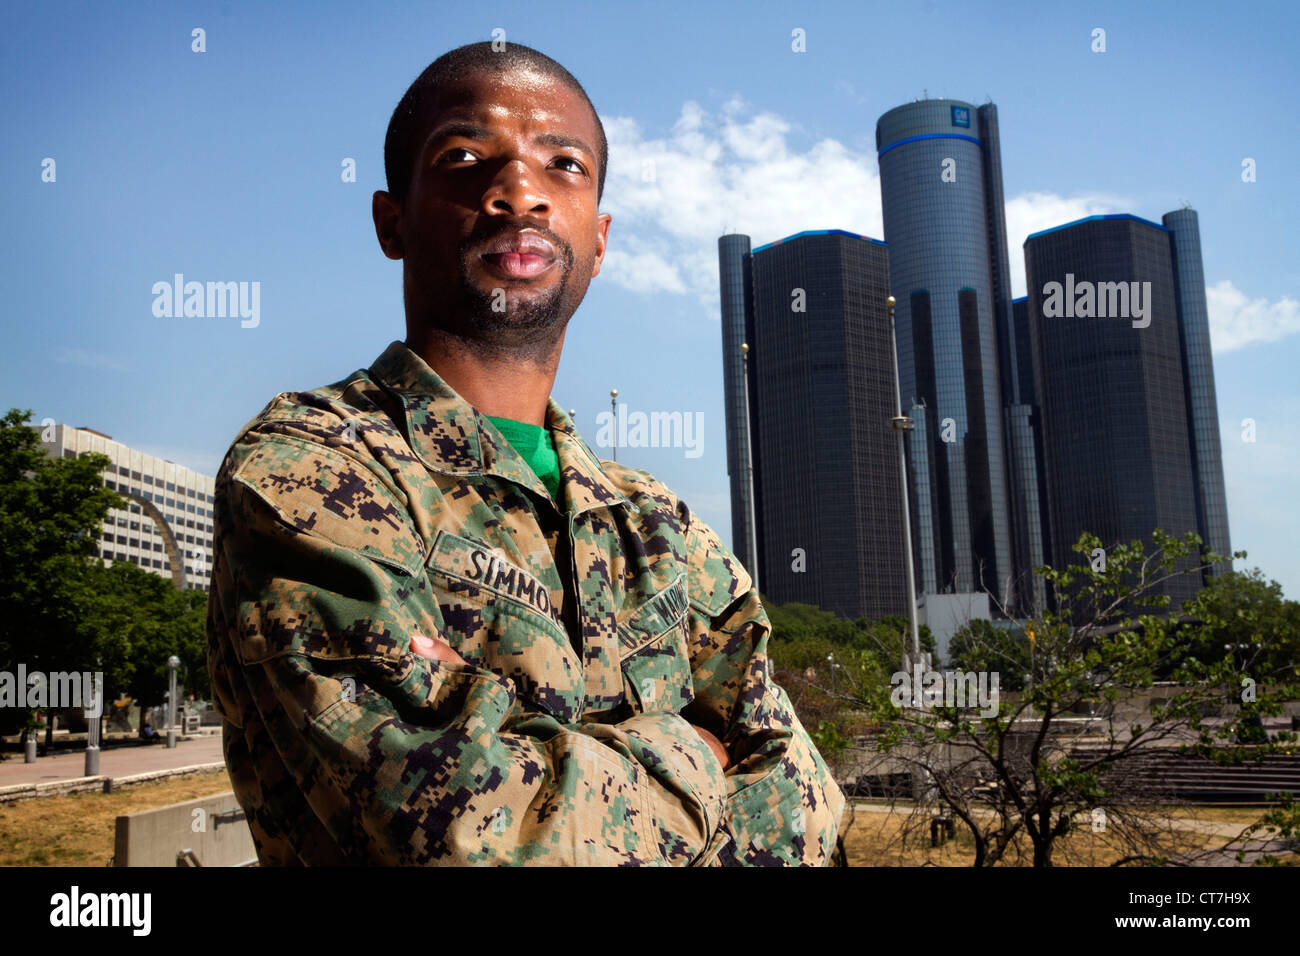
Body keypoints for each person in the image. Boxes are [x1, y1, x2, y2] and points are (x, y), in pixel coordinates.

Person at [206, 40, 844, 866]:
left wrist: (552, 766)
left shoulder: (656, 525)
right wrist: (700, 753)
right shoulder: (310, 471)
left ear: (600, 237)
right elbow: (465, 833)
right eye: (466, 157)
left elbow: (808, 803)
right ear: (391, 221)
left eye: (564, 164)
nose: (519, 192)